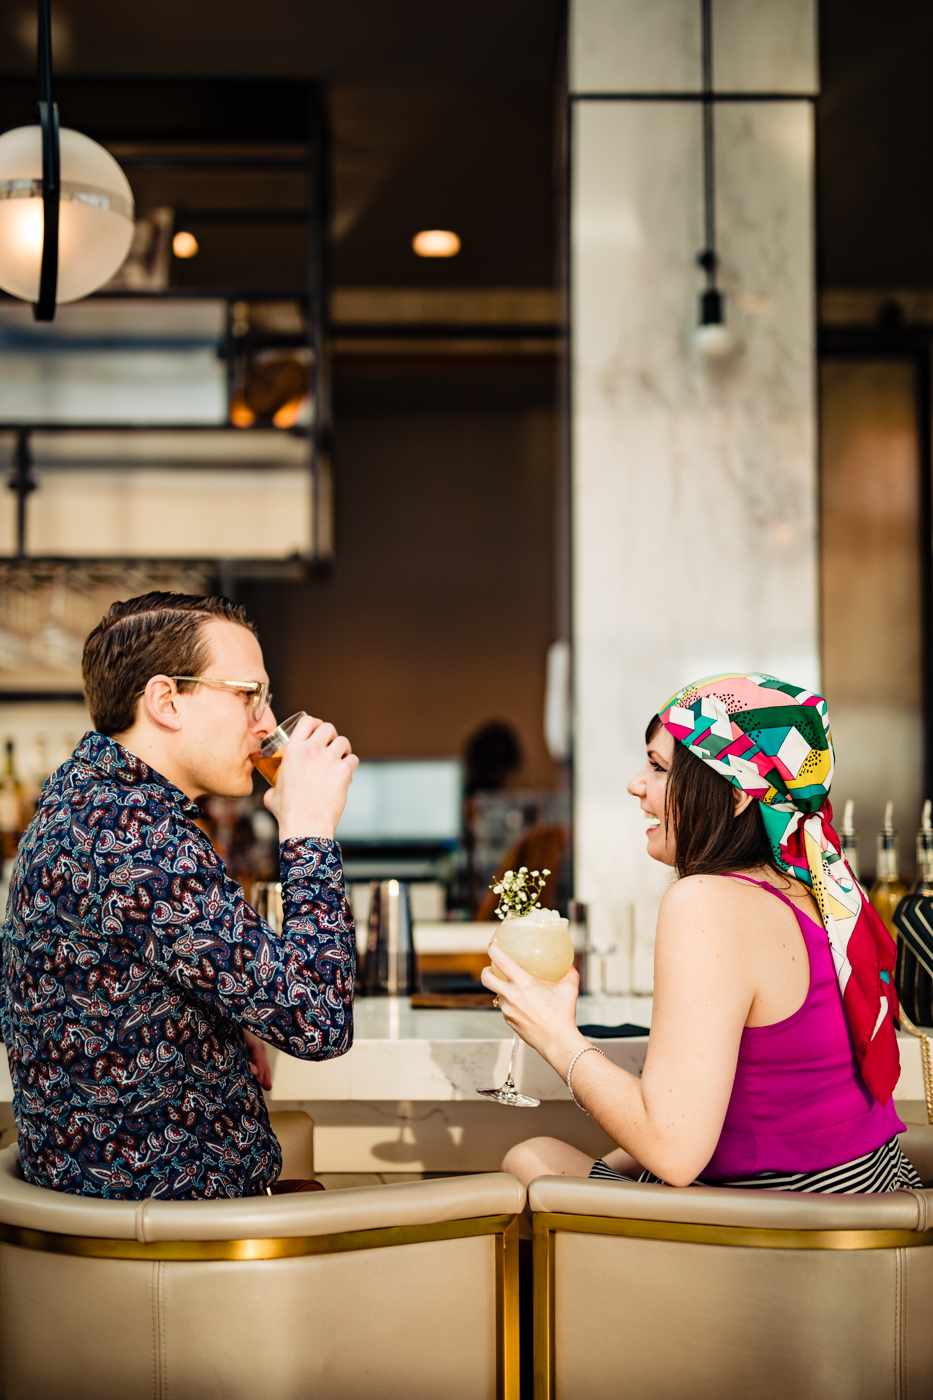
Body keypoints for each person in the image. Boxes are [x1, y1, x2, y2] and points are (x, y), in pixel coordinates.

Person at [488, 673, 921, 1193]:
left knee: (531, 1158)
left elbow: (674, 1152)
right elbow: (736, 1110)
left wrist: (553, 1034)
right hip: (872, 1197)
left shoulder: (706, 901)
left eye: (658, 767)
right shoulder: (815, 891)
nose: (635, 785)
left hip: (792, 1221)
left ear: (736, 795)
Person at [1, 592, 358, 1200]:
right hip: (180, 1228)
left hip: (113, 1207)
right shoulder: (136, 838)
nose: (267, 724)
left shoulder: (84, 802)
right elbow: (319, 1021)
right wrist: (309, 831)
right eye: (249, 695)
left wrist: (210, 1013)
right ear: (166, 700)